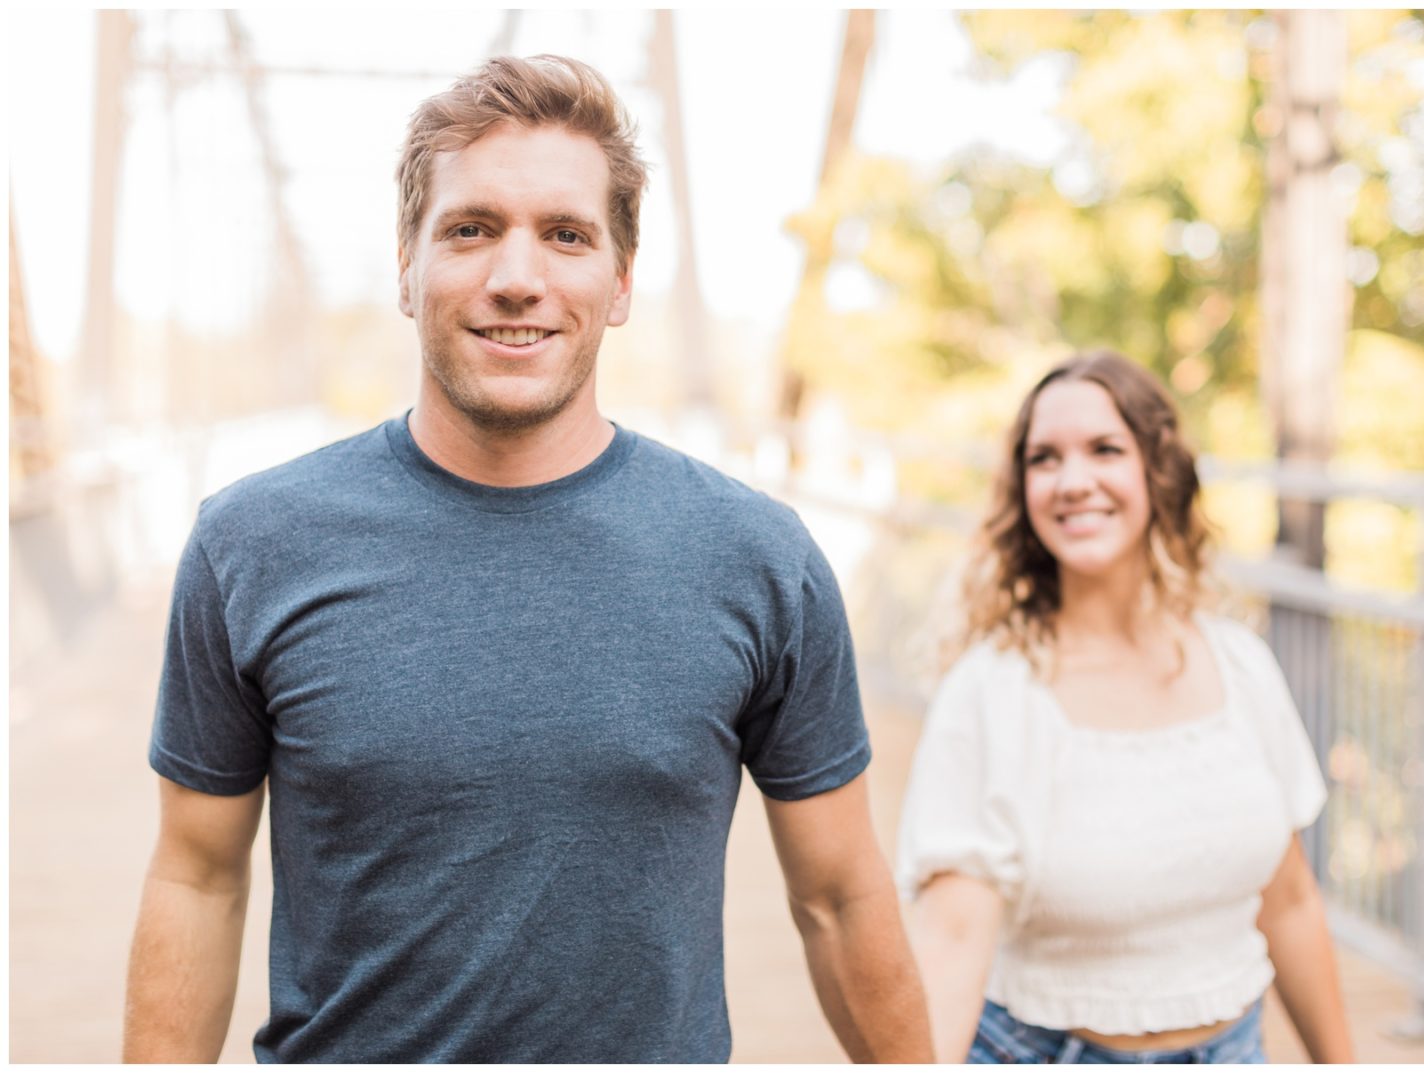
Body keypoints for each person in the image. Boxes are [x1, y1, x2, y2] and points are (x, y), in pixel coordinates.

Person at [123, 55, 931, 1064]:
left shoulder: (759, 558)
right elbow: (196, 875)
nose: (516, 278)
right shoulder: (249, 543)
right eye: (469, 229)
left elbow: (840, 895)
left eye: (565, 234)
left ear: (621, 280)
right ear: (407, 269)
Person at [896, 351, 1354, 1063]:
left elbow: (1289, 899)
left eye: (1105, 449)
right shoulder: (990, 693)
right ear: (1022, 490)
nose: (1074, 481)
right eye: (1044, 458)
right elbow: (951, 941)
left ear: (1157, 472)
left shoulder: (1240, 664)